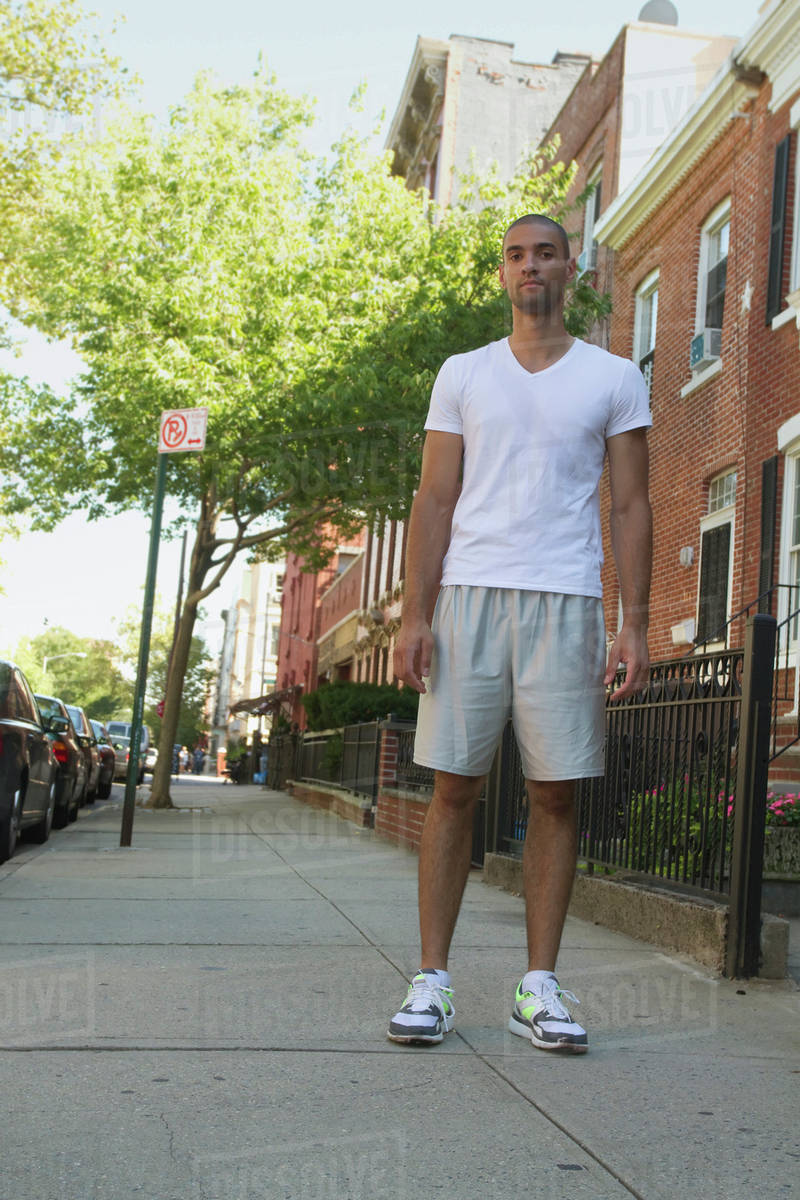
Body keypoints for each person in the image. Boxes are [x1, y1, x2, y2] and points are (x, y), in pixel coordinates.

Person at [388, 213, 652, 1053]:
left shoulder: (614, 377)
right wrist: (414, 612)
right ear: (501, 275)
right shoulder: (463, 373)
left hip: (567, 600)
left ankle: (538, 986)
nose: (528, 266)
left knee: (556, 793)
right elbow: (433, 499)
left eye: (544, 253)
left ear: (570, 267)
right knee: (452, 787)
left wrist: (635, 623)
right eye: (514, 256)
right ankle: (431, 979)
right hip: (467, 597)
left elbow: (631, 504)